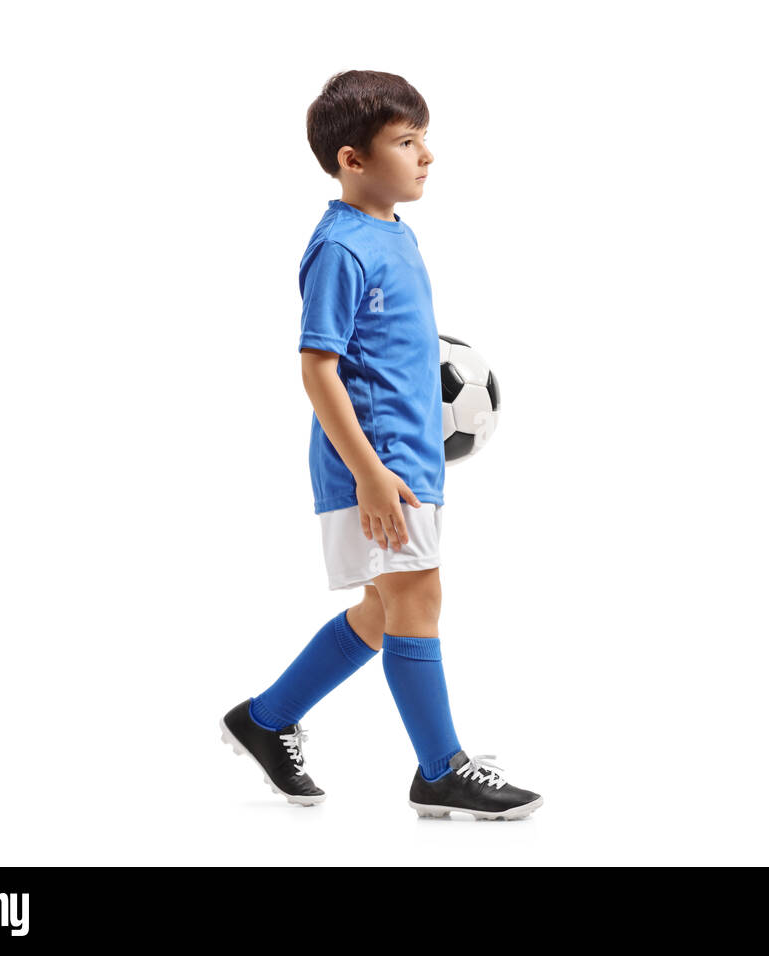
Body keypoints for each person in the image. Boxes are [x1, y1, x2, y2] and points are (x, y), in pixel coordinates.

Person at [219, 69, 543, 821]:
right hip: (377, 464)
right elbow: (317, 369)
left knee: (381, 608)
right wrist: (368, 473)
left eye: (424, 137)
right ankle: (441, 769)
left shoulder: (393, 230)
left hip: (409, 457)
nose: (426, 154)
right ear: (351, 160)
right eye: (406, 141)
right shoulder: (338, 248)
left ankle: (264, 720)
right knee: (417, 596)